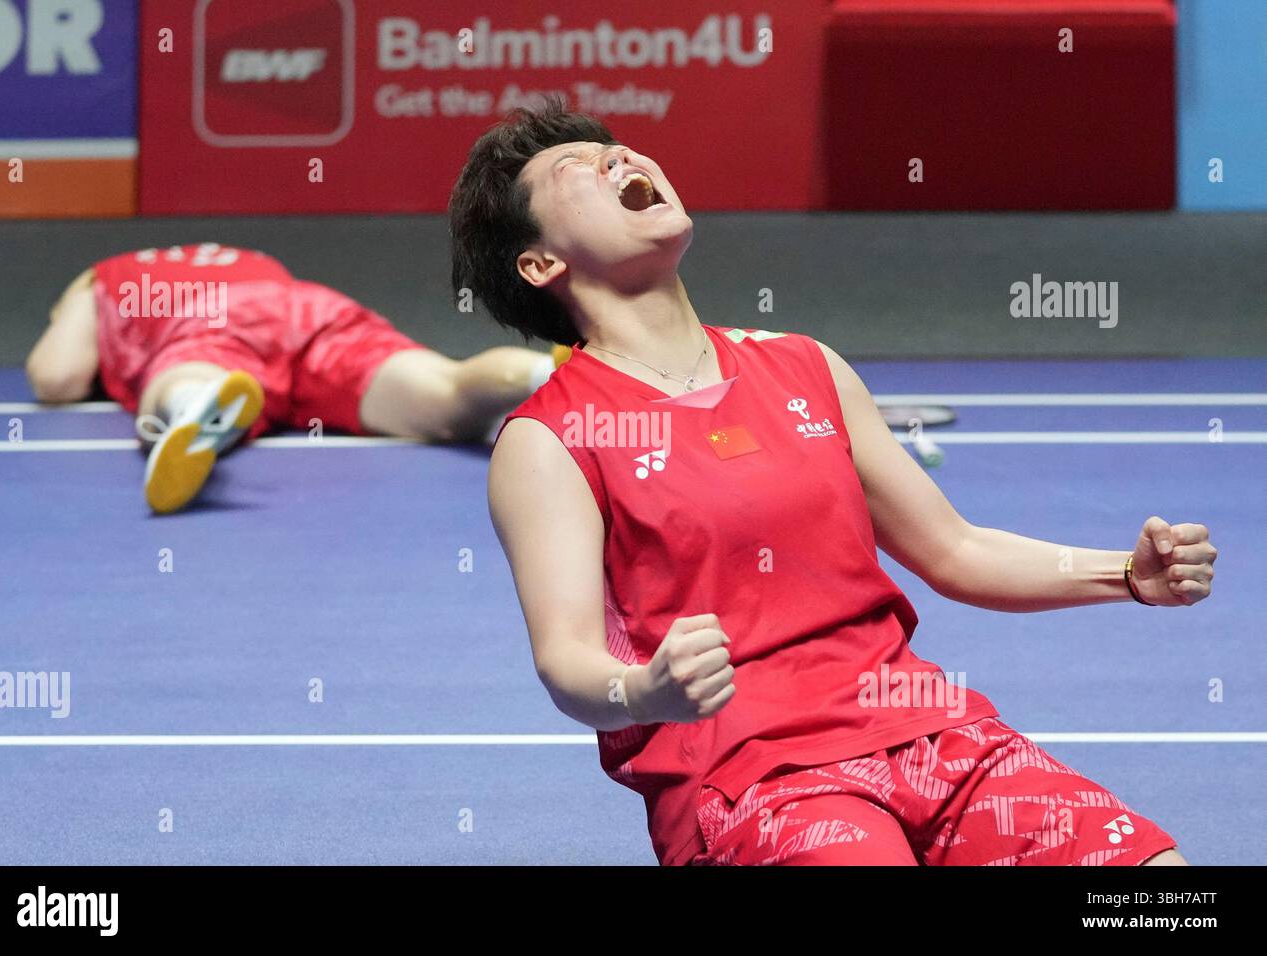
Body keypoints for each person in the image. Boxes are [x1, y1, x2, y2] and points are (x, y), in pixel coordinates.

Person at [451, 98, 1217, 866]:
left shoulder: (806, 367)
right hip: (749, 773)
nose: (617, 159)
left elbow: (956, 549)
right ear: (541, 263)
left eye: (615, 148)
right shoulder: (551, 439)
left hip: (930, 733)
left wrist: (1125, 574)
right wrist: (644, 692)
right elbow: (567, 659)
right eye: (573, 167)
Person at [25, 243, 560, 513]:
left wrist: (68, 311)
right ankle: (548, 373)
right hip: (308, 314)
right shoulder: (242, 255)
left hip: (209, 323)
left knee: (185, 375)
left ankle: (192, 409)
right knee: (446, 396)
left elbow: (57, 377)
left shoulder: (106, 274)